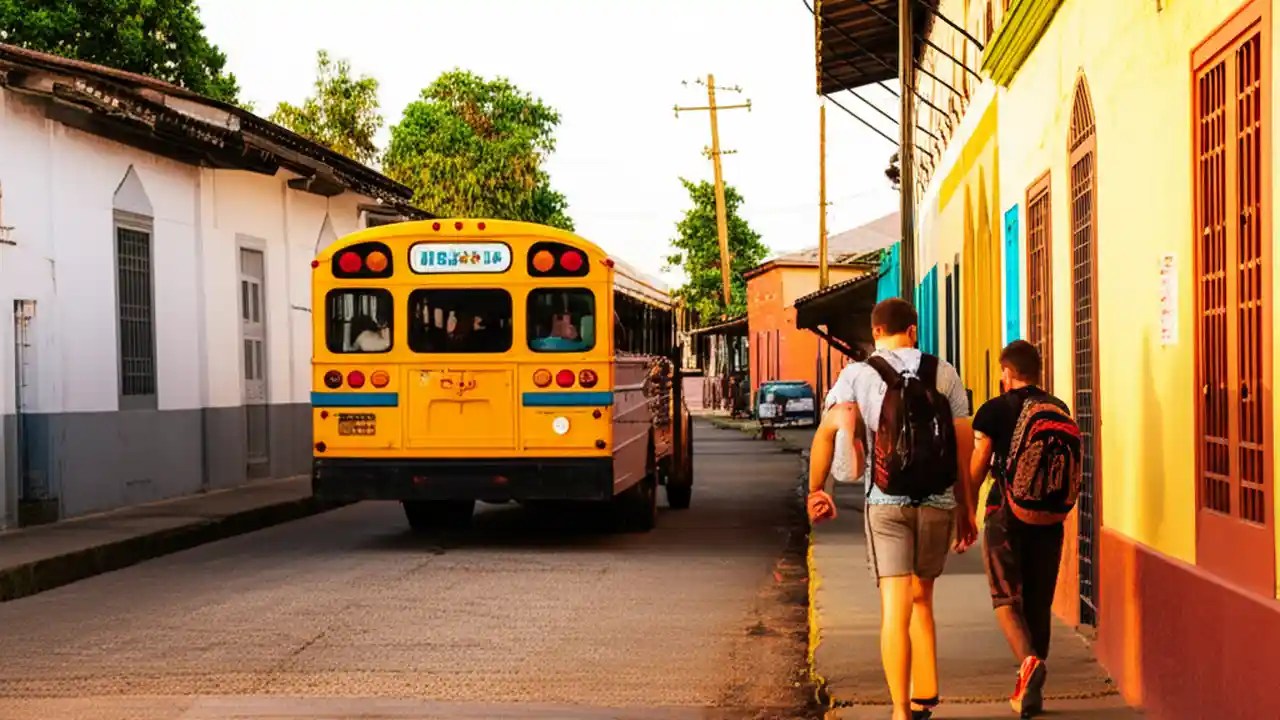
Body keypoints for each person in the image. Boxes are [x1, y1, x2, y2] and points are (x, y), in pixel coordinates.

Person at [808, 298, 975, 720]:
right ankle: (926, 692)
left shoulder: (857, 375)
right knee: (924, 598)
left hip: (884, 502)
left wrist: (817, 489)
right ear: (914, 331)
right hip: (937, 502)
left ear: (876, 332)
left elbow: (828, 431)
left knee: (894, 605)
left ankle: (901, 709)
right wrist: (966, 507)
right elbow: (962, 445)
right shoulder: (944, 372)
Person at [966, 340, 1074, 718]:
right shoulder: (1059, 408)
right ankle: (1032, 692)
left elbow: (980, 462)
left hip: (1006, 514)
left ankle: (1029, 662)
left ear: (1007, 373)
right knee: (1038, 603)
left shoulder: (994, 409)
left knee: (1006, 599)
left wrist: (966, 507)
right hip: (1050, 519)